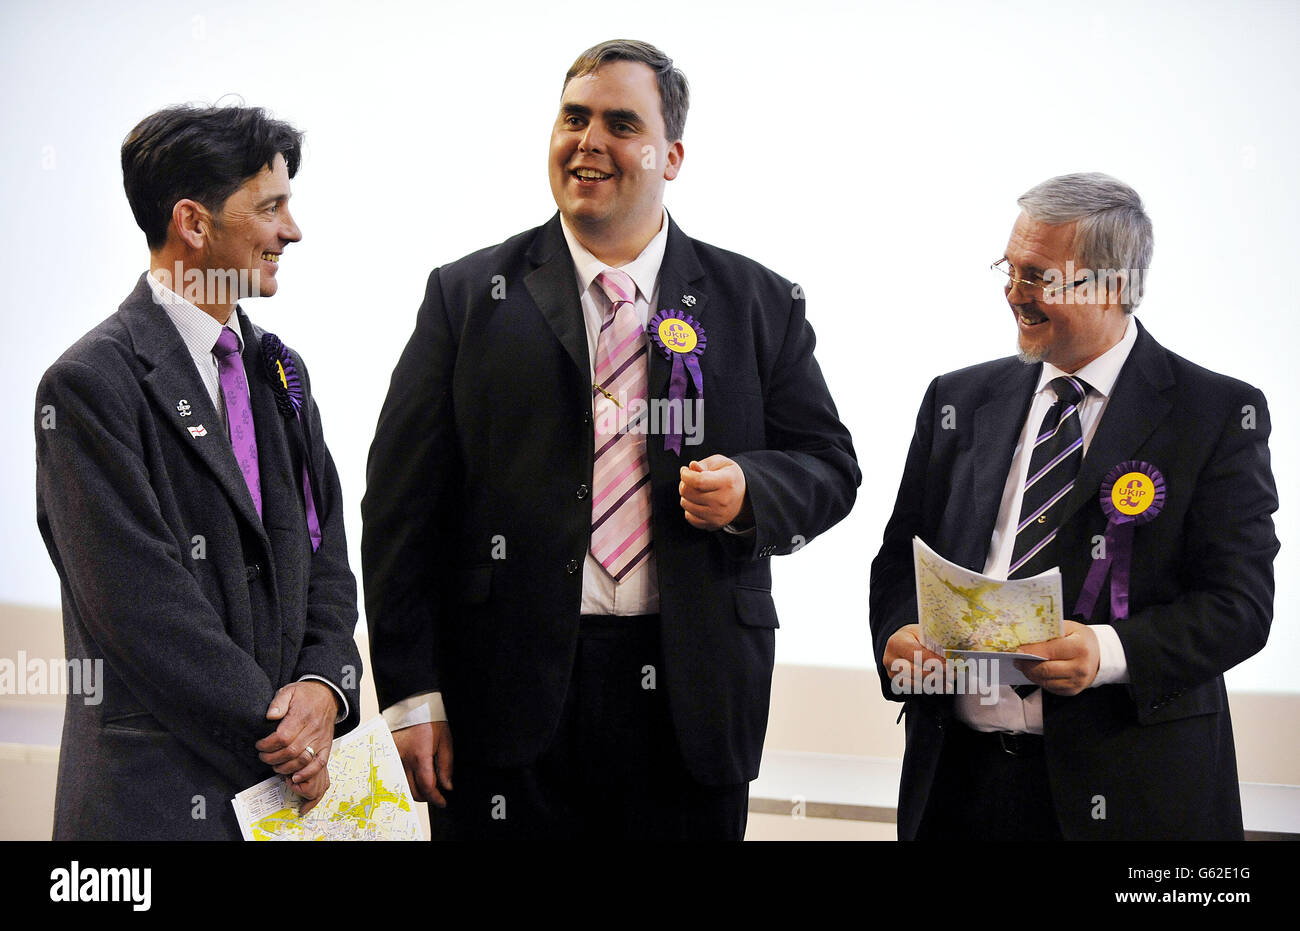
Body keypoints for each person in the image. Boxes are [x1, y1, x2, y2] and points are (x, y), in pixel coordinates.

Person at [362, 39, 860, 840]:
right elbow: (399, 507)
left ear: (672, 155)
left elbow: (831, 467)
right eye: (573, 118)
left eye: (620, 123)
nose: (588, 141)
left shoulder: (758, 301)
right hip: (504, 707)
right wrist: (412, 693)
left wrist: (751, 493)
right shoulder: (467, 297)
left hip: (693, 711)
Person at [869, 172, 1278, 840]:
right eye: (1009, 268)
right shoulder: (957, 397)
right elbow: (897, 560)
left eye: (1038, 277)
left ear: (1113, 285)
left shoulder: (1214, 413)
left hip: (1128, 795)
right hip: (957, 791)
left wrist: (1106, 649)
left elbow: (1240, 605)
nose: (1014, 294)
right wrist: (898, 636)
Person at [34, 105, 362, 840]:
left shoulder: (282, 370)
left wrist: (323, 687)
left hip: (289, 804)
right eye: (271, 206)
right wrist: (287, 737)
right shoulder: (90, 385)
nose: (293, 230)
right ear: (193, 221)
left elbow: (329, 563)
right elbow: (146, 614)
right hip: (154, 810)